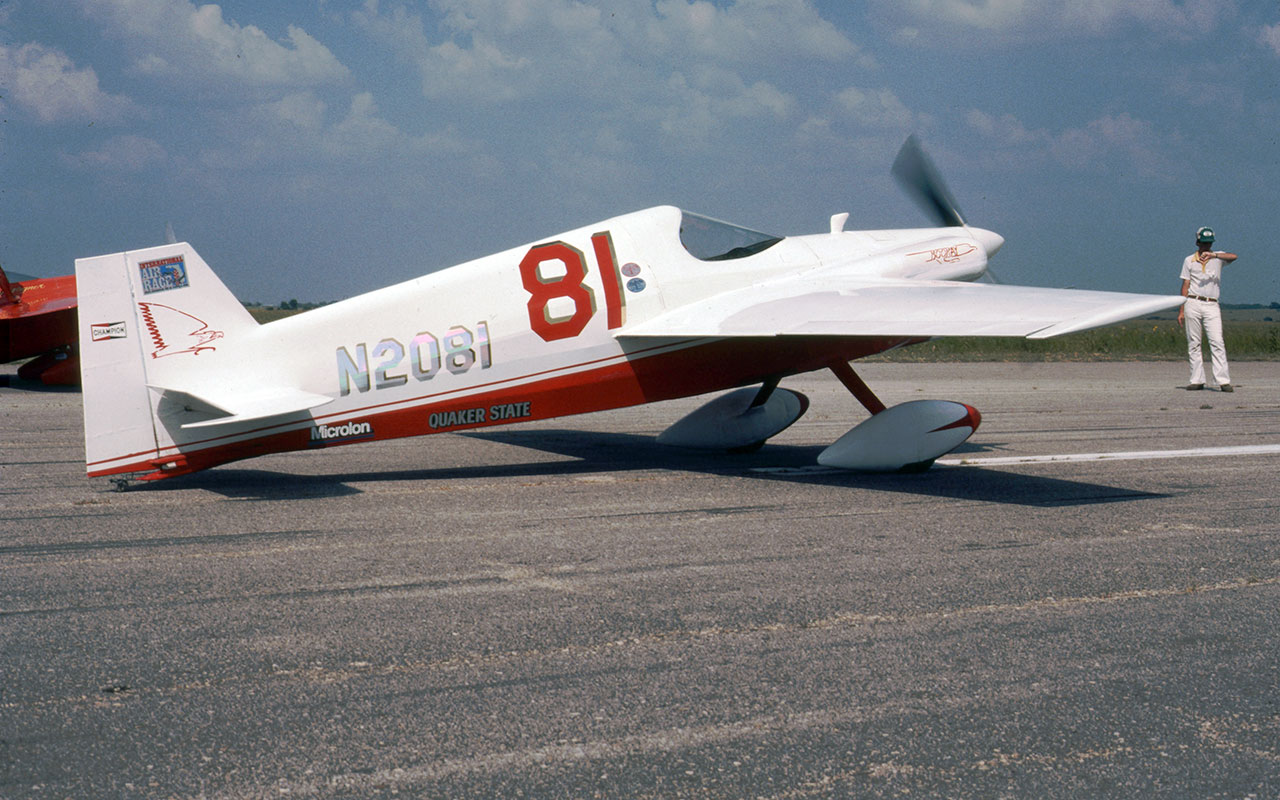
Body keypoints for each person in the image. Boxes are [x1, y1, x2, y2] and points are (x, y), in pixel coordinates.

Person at [1177, 226, 1238, 391]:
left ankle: (1222, 380)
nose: (1206, 247)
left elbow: (1234, 256)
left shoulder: (1218, 257)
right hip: (1193, 301)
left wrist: (1214, 255)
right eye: (1203, 243)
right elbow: (1185, 284)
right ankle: (1197, 380)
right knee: (1194, 342)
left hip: (1211, 303)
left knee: (1217, 341)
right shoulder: (1189, 260)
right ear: (1197, 242)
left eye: (1208, 244)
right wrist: (1181, 310)